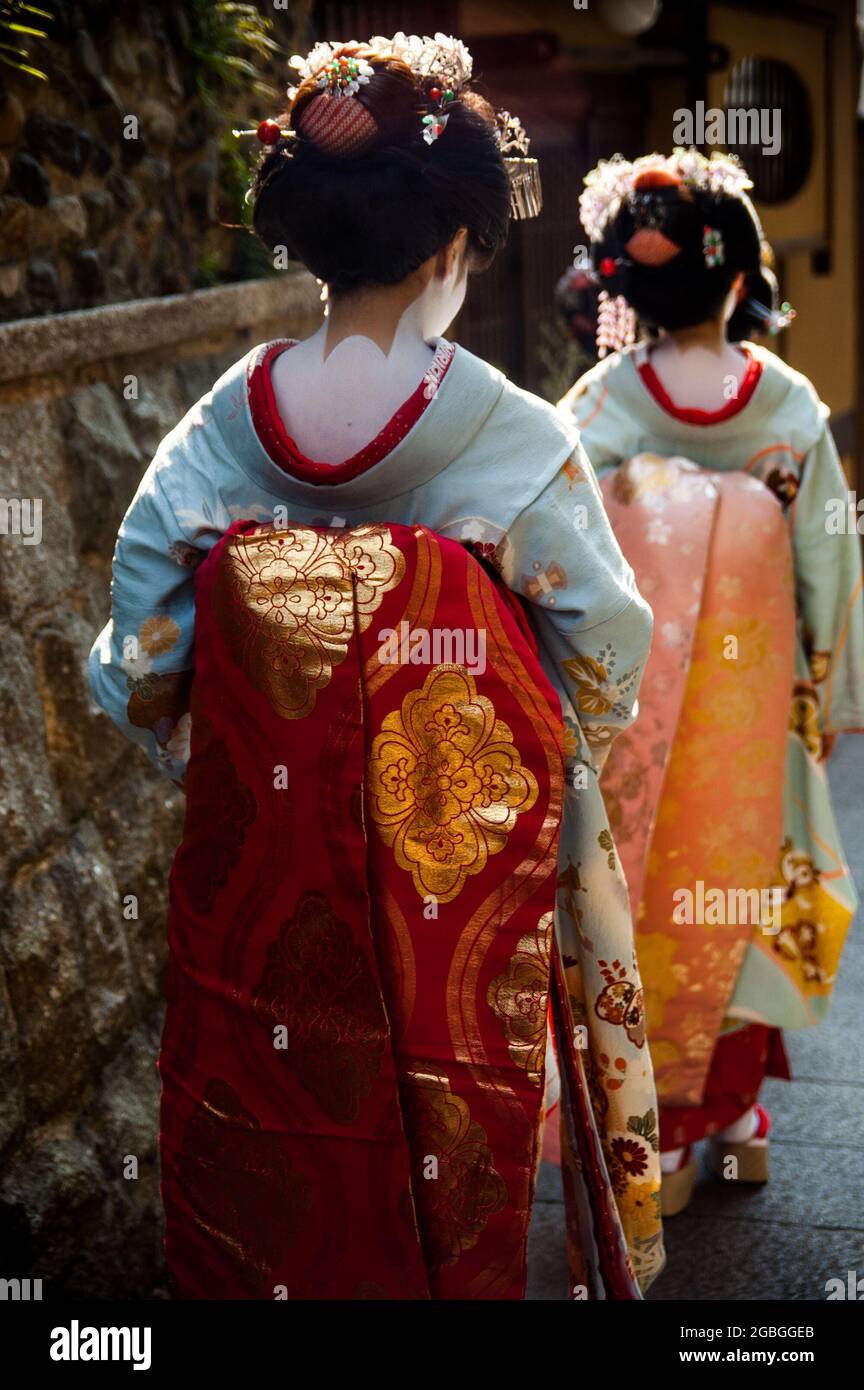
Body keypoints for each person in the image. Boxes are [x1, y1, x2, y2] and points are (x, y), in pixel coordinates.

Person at [88, 34, 663, 1297]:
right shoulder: (509, 432)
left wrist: (251, 738)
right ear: (454, 248)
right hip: (457, 867)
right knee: (456, 1106)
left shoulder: (223, 423)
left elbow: (139, 645)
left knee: (271, 1093)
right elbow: (608, 642)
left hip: (268, 866)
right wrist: (528, 767)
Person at [558, 149, 864, 1216]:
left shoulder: (597, 410)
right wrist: (827, 692)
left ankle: (663, 1141)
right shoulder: (786, 402)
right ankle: (734, 1124)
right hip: (756, 708)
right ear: (741, 280)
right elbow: (830, 557)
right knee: (739, 896)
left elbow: (555, 553)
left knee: (641, 902)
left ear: (624, 290)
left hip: (640, 718)